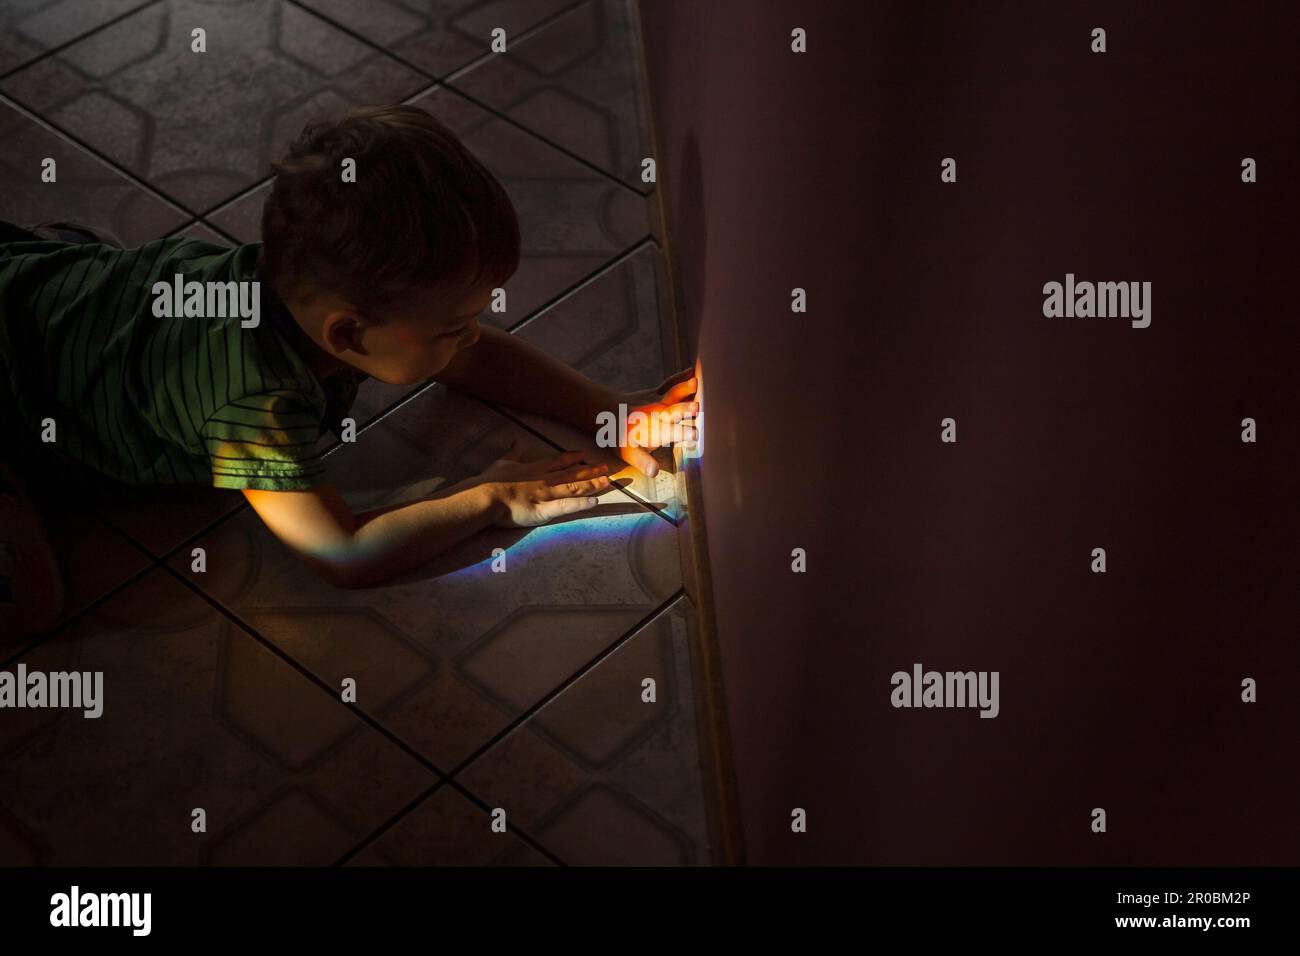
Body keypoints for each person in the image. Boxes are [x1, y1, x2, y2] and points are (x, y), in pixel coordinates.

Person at [0, 104, 698, 641]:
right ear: (347, 333)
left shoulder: (307, 285)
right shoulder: (252, 402)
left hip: (40, 293)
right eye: (451, 328)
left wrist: (610, 407)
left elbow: (472, 356)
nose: (470, 339)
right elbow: (341, 551)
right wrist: (491, 498)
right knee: (32, 600)